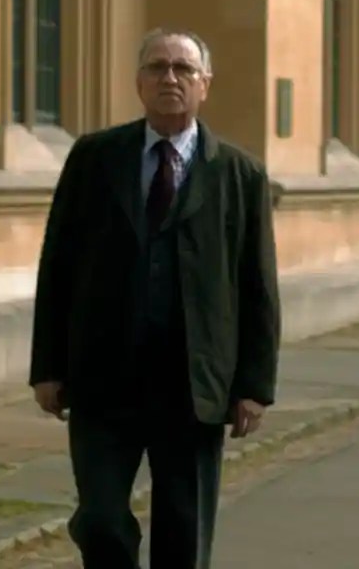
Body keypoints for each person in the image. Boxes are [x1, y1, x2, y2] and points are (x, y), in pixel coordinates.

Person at [29, 28, 281, 569]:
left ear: (205, 85)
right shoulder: (94, 158)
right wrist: (46, 366)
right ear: (139, 82)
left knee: (183, 535)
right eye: (158, 67)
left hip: (192, 384)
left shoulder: (241, 174)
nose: (171, 78)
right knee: (98, 517)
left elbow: (257, 285)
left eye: (184, 69)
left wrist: (254, 385)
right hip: (104, 377)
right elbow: (59, 265)